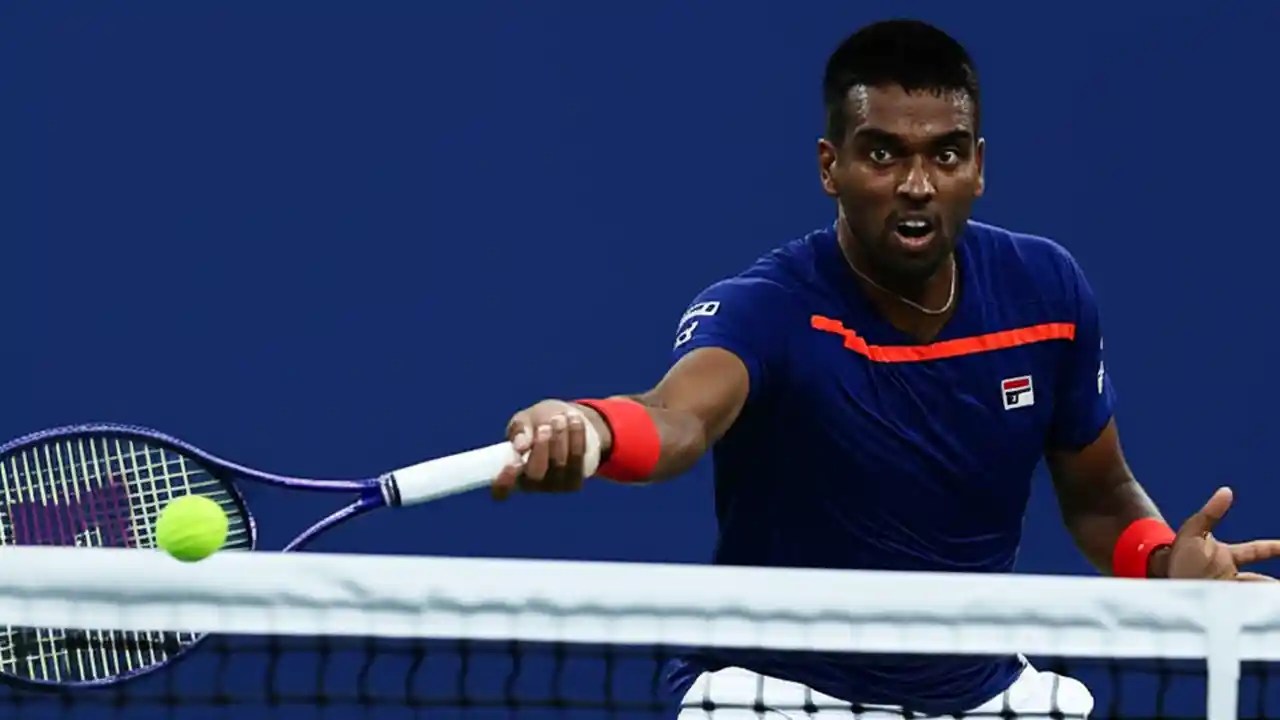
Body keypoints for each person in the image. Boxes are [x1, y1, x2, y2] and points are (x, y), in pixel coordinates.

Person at [489, 18, 1280, 719]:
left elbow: (1099, 492)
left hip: (978, 695)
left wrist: (1158, 560)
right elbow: (676, 419)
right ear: (830, 166)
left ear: (978, 166)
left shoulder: (1048, 292)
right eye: (883, 154)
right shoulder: (770, 308)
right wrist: (589, 425)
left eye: (945, 154)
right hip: (776, 695)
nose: (916, 184)